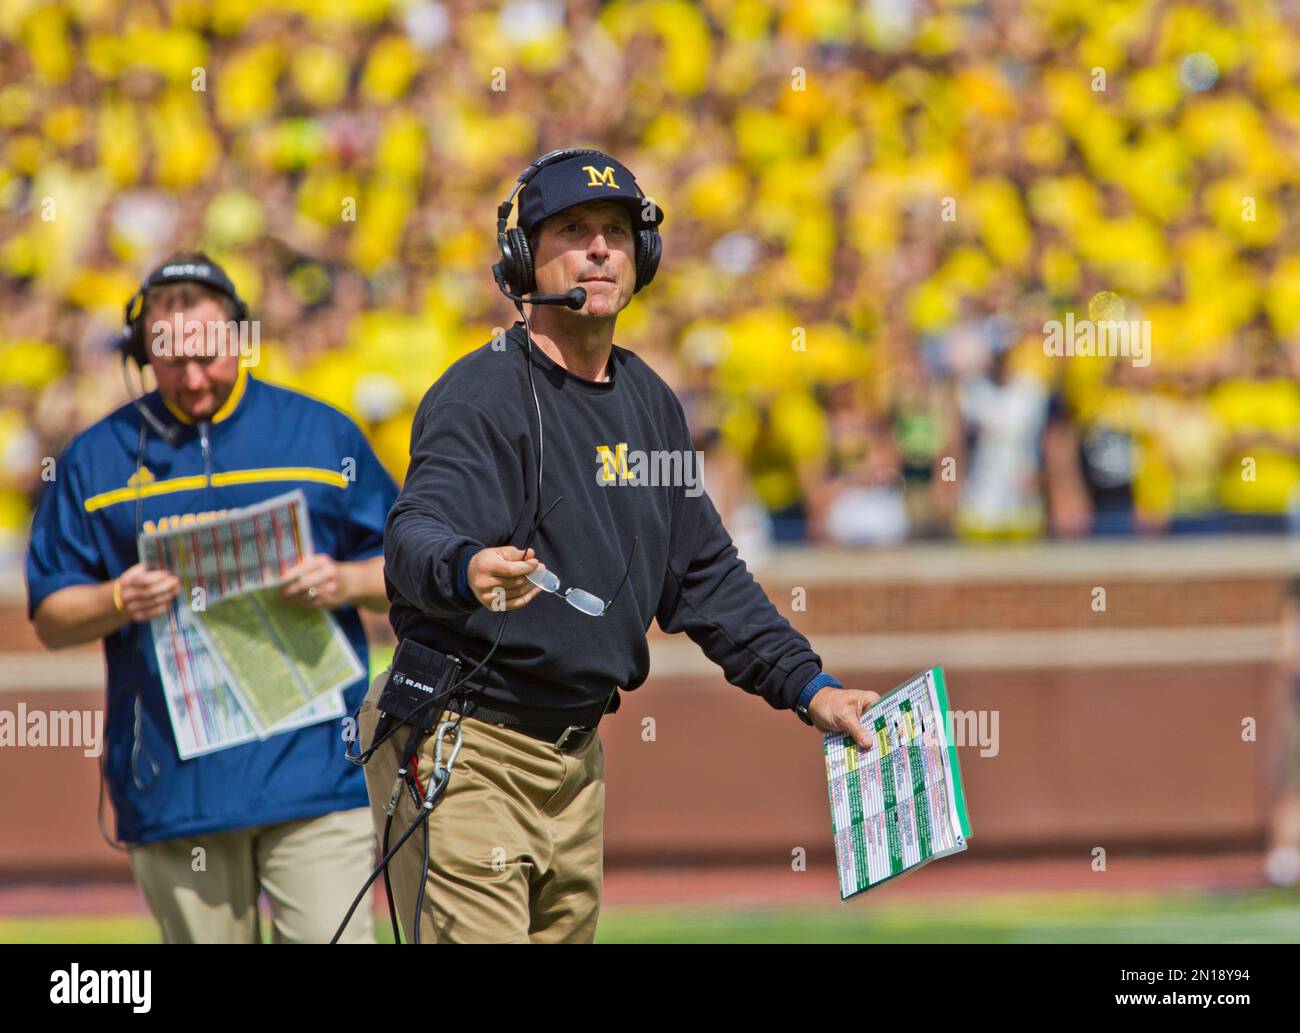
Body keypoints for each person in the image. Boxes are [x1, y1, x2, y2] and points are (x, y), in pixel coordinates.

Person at [359, 149, 881, 944]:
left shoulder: (651, 404)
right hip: (469, 745)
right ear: (520, 258)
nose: (601, 248)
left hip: (575, 760)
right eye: (574, 229)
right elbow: (414, 533)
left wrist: (812, 686)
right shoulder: (480, 395)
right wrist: (466, 567)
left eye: (618, 230)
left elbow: (705, 574)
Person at [25, 253, 399, 943]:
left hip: (316, 770)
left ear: (241, 339)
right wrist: (118, 596)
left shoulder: (321, 435)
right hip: (177, 785)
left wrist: (342, 581)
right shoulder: (95, 459)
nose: (194, 377)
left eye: (209, 354)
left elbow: (408, 570)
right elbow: (51, 617)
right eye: (172, 360)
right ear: (141, 356)